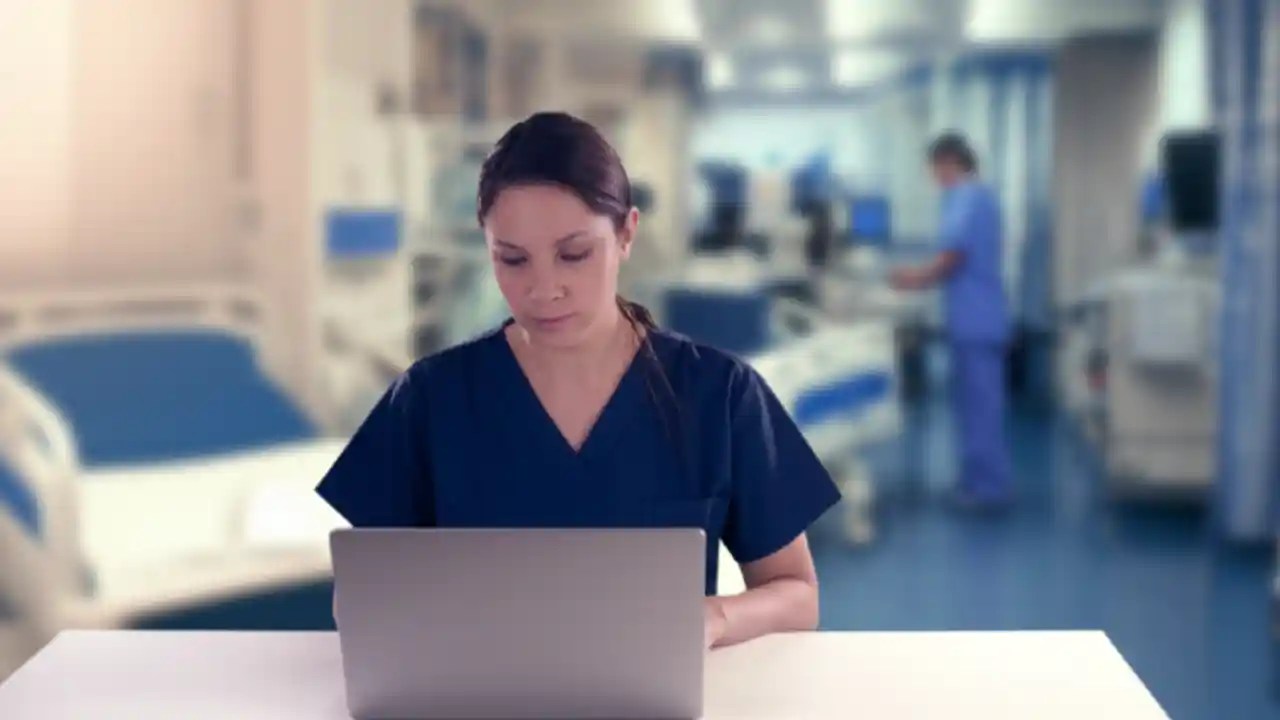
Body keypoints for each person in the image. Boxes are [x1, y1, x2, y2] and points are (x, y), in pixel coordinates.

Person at [316, 112, 841, 650]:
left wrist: (715, 619)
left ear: (626, 234)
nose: (544, 289)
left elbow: (797, 593)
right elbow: (358, 597)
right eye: (513, 259)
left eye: (574, 255)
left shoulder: (719, 394)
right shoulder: (431, 400)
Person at [891, 132, 1014, 509]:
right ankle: (977, 480)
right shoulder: (979, 198)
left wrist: (913, 279)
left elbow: (952, 257)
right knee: (975, 406)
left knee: (980, 408)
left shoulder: (967, 198)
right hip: (978, 317)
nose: (934, 177)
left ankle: (988, 488)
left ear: (950, 162)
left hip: (977, 320)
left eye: (935, 168)